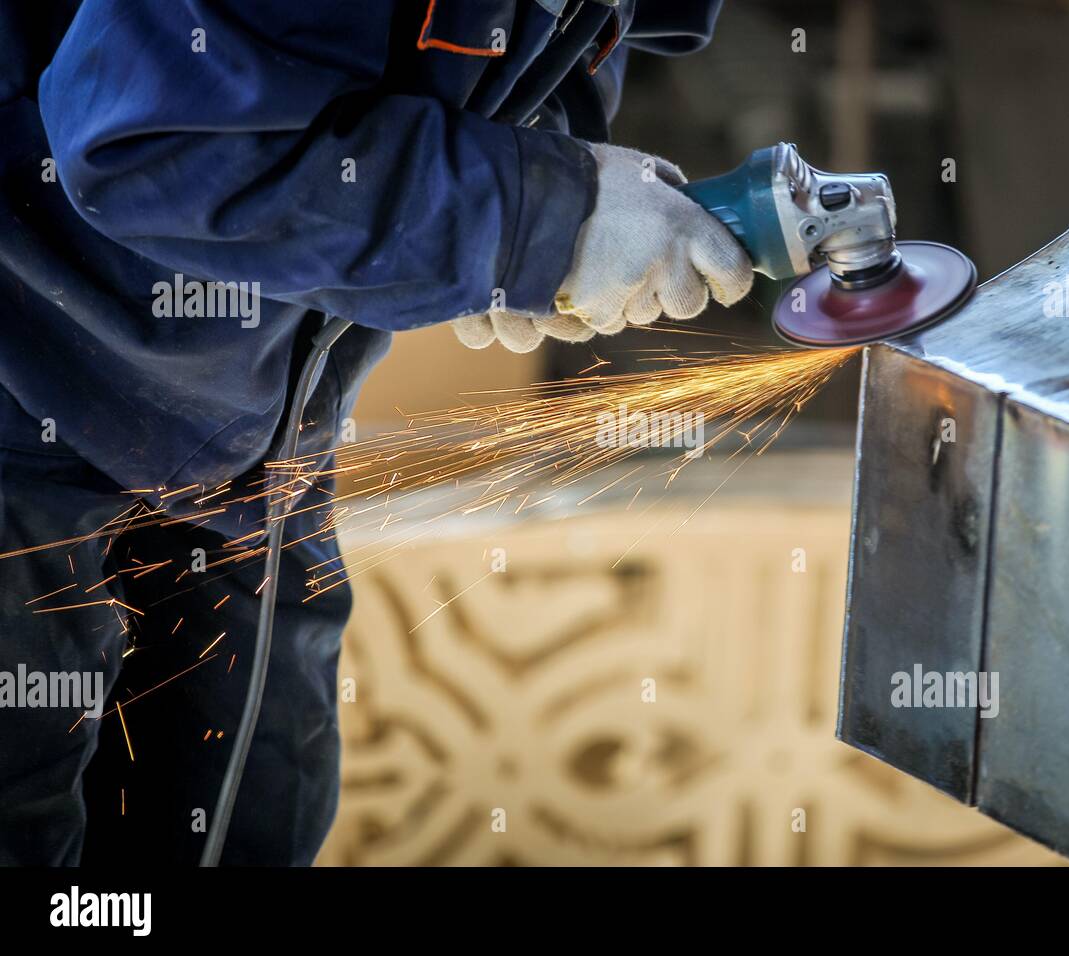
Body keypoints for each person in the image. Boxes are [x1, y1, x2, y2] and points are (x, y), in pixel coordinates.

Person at [0, 0, 752, 865]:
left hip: (258, 430)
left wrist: (519, 193)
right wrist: (533, 221)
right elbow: (150, 142)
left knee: (250, 819)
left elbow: (479, 75)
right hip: (26, 370)